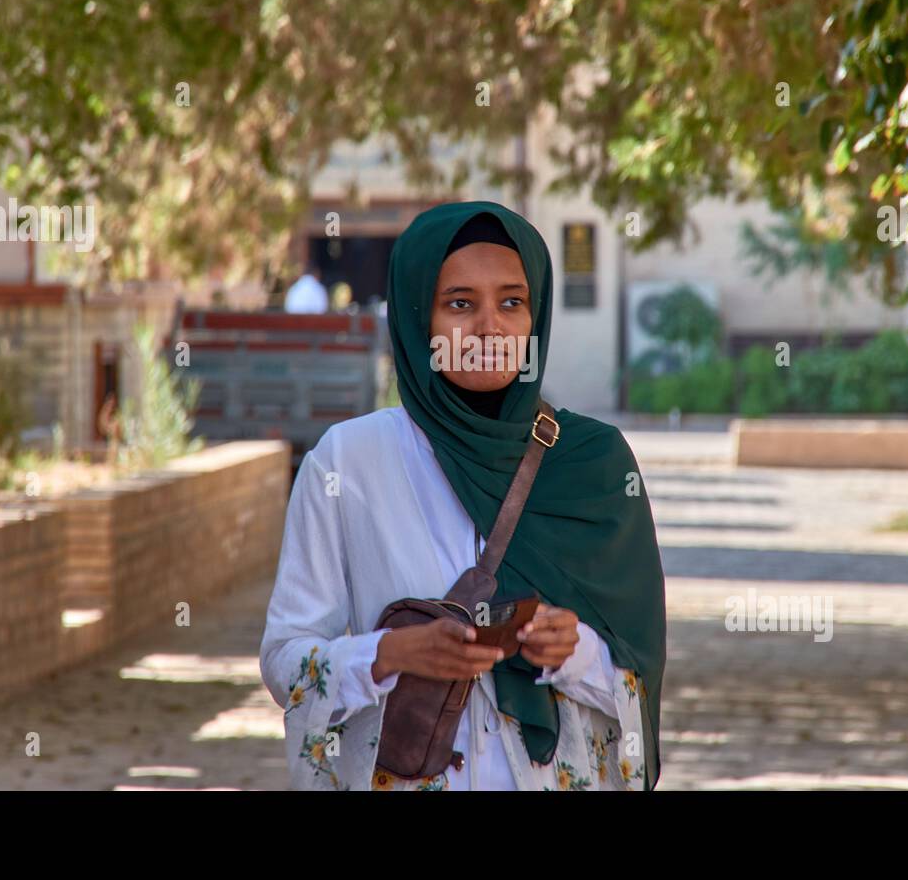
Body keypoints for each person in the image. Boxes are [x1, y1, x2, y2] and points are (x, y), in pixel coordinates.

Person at [259, 200, 666, 791]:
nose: (489, 327)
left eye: (511, 301)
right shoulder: (348, 463)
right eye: (459, 304)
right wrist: (391, 654)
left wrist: (570, 650)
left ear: (536, 315)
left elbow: (639, 683)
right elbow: (285, 664)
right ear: (418, 316)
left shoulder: (593, 465)